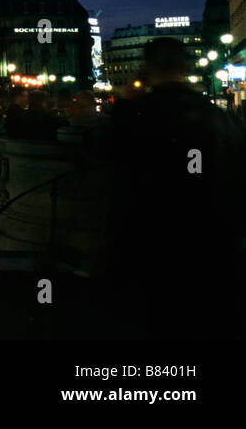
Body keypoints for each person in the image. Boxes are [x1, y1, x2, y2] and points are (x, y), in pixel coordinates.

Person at [104, 38, 246, 338]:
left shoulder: (139, 115)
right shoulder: (219, 116)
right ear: (186, 67)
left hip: (155, 241)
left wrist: (125, 101)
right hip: (214, 240)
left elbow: (105, 148)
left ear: (146, 68)